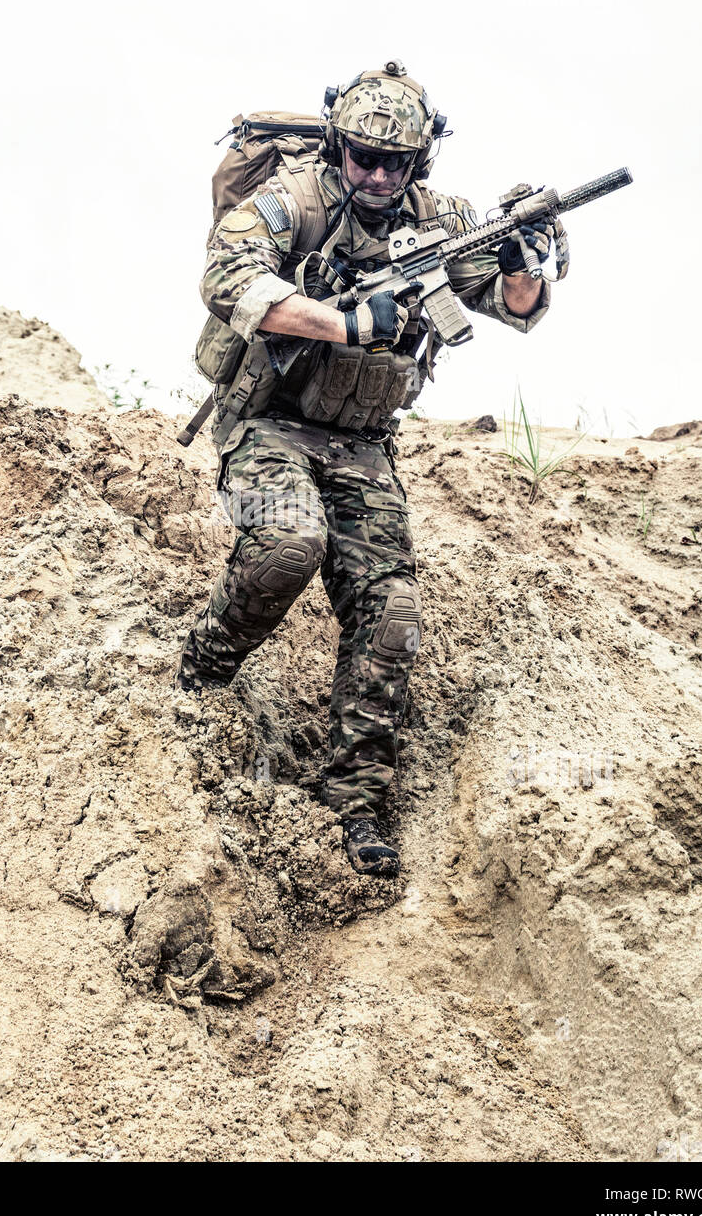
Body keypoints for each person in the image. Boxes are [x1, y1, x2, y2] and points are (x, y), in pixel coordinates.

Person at [175, 61, 552, 877]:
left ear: (423, 161)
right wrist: (348, 321)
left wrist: (524, 259)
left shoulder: (445, 220)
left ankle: (355, 798)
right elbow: (226, 279)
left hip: (362, 442)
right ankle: (202, 670)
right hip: (270, 422)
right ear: (338, 145)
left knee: (392, 613)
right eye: (363, 157)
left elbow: (513, 308)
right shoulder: (290, 201)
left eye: (398, 163)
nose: (379, 175)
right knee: (286, 546)